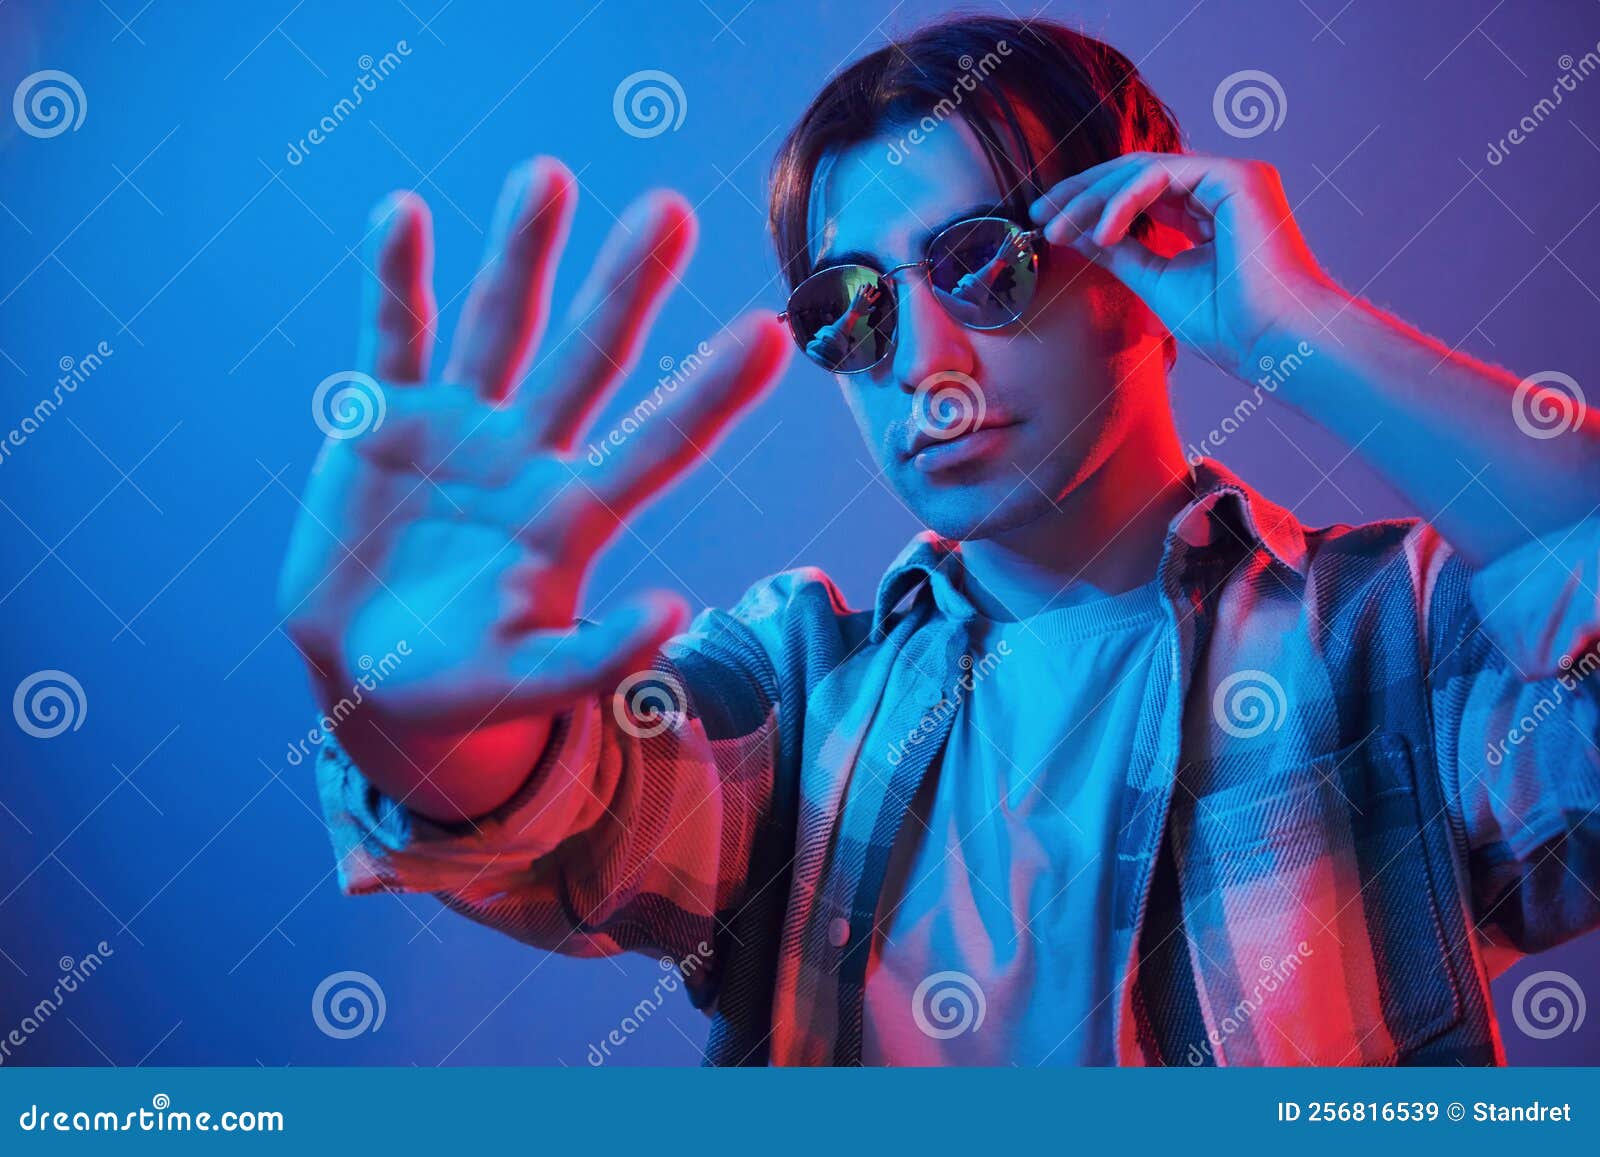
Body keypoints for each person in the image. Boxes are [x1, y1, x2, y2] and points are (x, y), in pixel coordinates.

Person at [280, 14, 1600, 1065]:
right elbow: (577, 806)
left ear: (1142, 255)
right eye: (850, 310)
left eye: (980, 262)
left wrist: (1293, 331)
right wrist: (413, 712)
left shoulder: (1388, 642)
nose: (923, 360)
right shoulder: (798, 690)